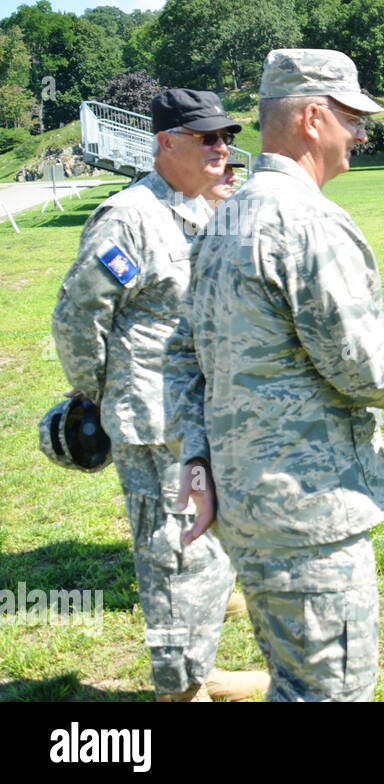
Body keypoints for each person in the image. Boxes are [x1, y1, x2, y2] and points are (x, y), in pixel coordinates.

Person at [164, 49, 384, 702]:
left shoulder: (222, 220)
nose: (361, 133)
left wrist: (197, 465)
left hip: (245, 505)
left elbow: (184, 362)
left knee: (297, 686)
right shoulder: (307, 223)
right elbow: (366, 365)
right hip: (308, 516)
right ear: (314, 118)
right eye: (352, 118)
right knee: (328, 693)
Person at [52, 88, 265, 702]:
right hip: (153, 418)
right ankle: (180, 689)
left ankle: (201, 668)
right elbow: (77, 316)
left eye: (225, 137)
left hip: (202, 413)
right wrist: (101, 395)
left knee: (205, 542)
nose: (222, 149)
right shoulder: (129, 217)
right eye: (207, 138)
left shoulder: (195, 210)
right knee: (171, 555)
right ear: (165, 142)